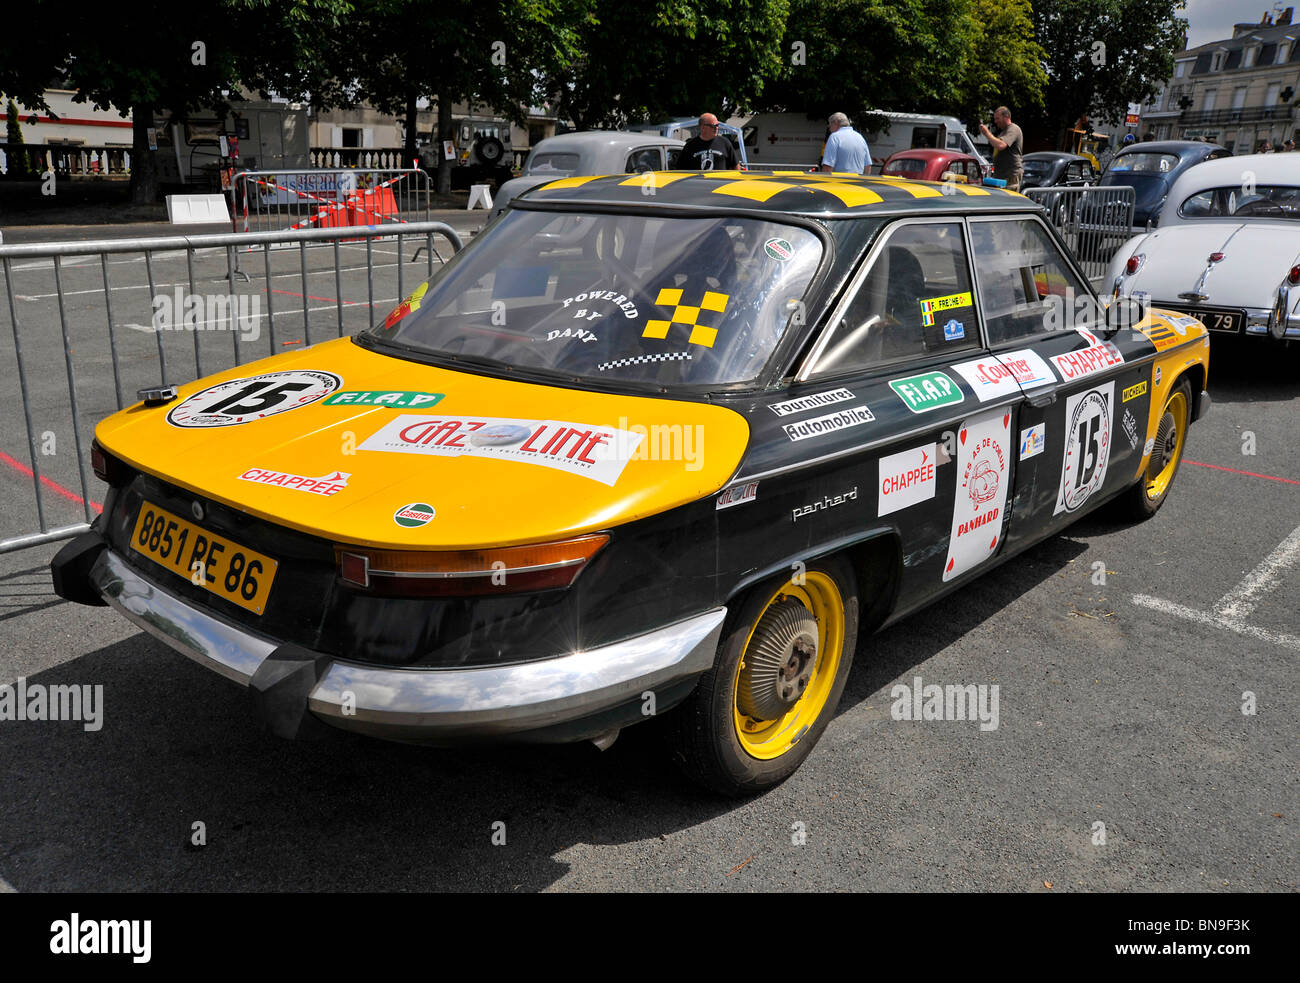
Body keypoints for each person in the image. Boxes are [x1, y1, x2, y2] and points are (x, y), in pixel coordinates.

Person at [979, 106, 1024, 191]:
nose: (995, 121)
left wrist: (986, 133)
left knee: (1008, 202)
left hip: (1010, 176)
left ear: (1006, 117)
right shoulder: (1003, 132)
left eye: (997, 118)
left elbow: (1001, 145)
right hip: (1002, 176)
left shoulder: (1013, 129)